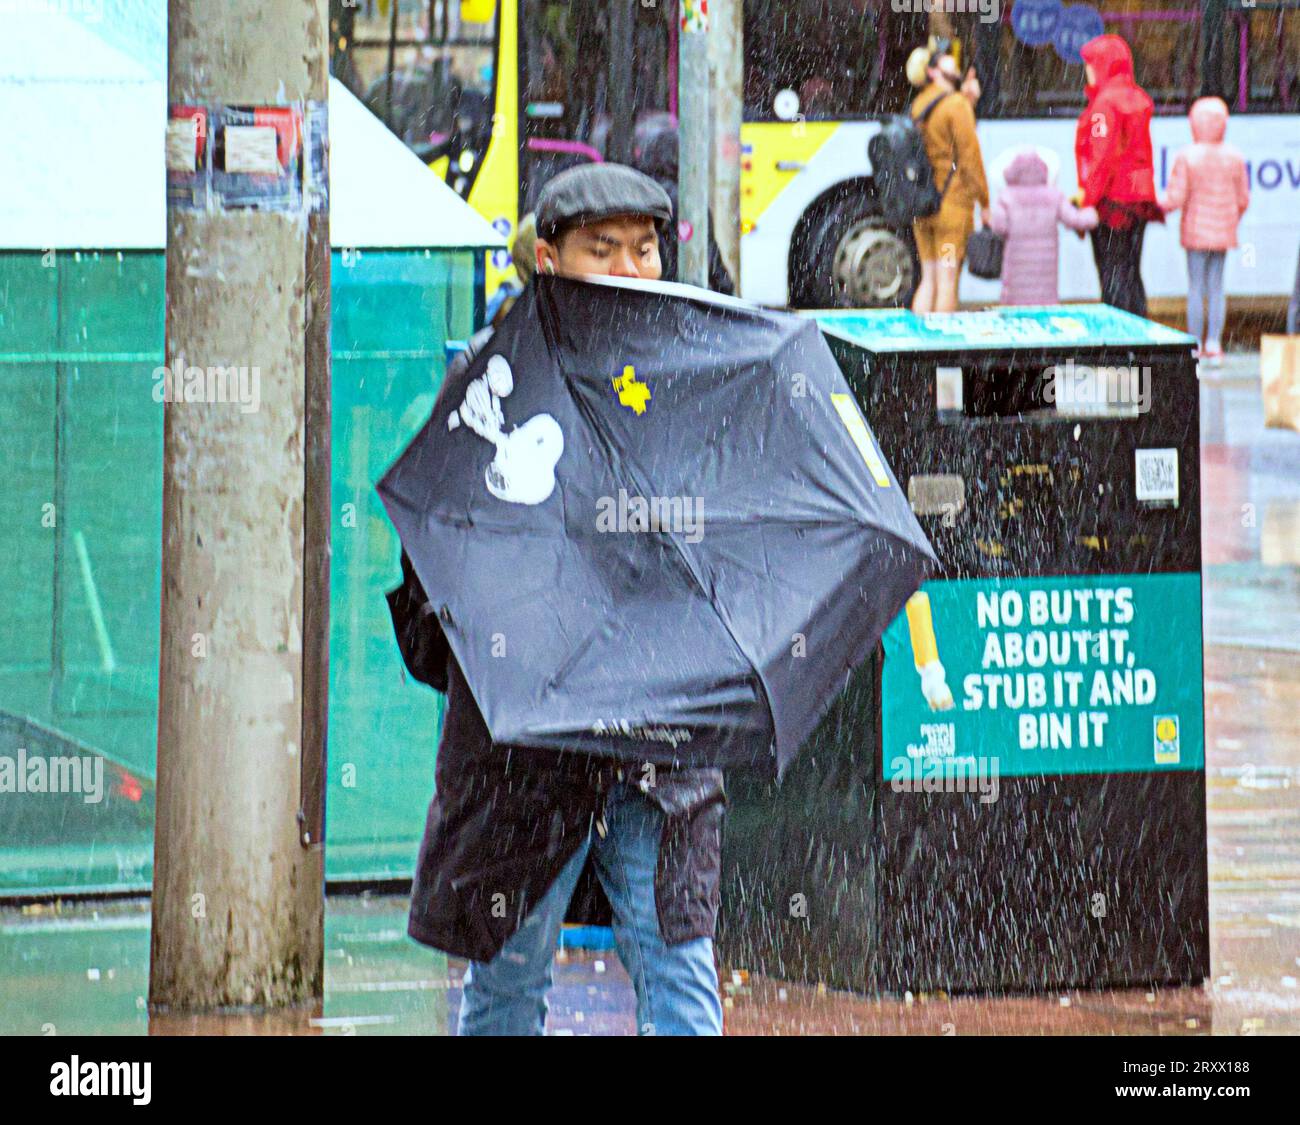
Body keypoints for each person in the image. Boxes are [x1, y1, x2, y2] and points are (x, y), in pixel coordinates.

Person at [388, 162, 728, 1037]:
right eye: (601, 249)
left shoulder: (693, 378)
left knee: (678, 967)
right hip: (528, 749)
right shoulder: (488, 383)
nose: (628, 268)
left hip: (657, 737)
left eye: (644, 249)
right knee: (509, 975)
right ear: (548, 256)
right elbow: (439, 568)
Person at [1073, 34, 1162, 317]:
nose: (1086, 71)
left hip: (1111, 203)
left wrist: (1088, 201)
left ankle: (1118, 345)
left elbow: (1102, 159)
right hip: (1137, 201)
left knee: (1112, 274)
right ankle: (1141, 340)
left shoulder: (1103, 106)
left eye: (1089, 64)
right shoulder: (1135, 98)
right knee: (1131, 272)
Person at [1159, 97, 1250, 365]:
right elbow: (1243, 199)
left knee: (1196, 287)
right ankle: (1214, 342)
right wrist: (1229, 219)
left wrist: (1152, 207)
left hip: (1196, 234)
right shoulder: (1234, 157)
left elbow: (1175, 197)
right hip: (1223, 234)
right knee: (1217, 286)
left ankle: (1196, 342)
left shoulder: (1187, 156)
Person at [908, 47, 990, 314]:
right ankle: (940, 350)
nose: (955, 68)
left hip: (923, 205)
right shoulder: (956, 105)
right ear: (932, 71)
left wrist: (968, 102)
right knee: (947, 281)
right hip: (951, 207)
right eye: (948, 65)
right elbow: (970, 158)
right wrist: (985, 202)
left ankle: (918, 345)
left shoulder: (920, 104)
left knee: (929, 279)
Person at [987, 146, 1098, 306]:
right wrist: (1094, 214)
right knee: (1044, 309)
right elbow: (1074, 219)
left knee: (1016, 312)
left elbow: (999, 227)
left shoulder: (1006, 197)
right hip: (1045, 274)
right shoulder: (1054, 195)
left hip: (1017, 273)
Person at [636, 130, 736, 295]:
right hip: (680, 299)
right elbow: (713, 261)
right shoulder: (689, 203)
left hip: (646, 297)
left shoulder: (637, 193)